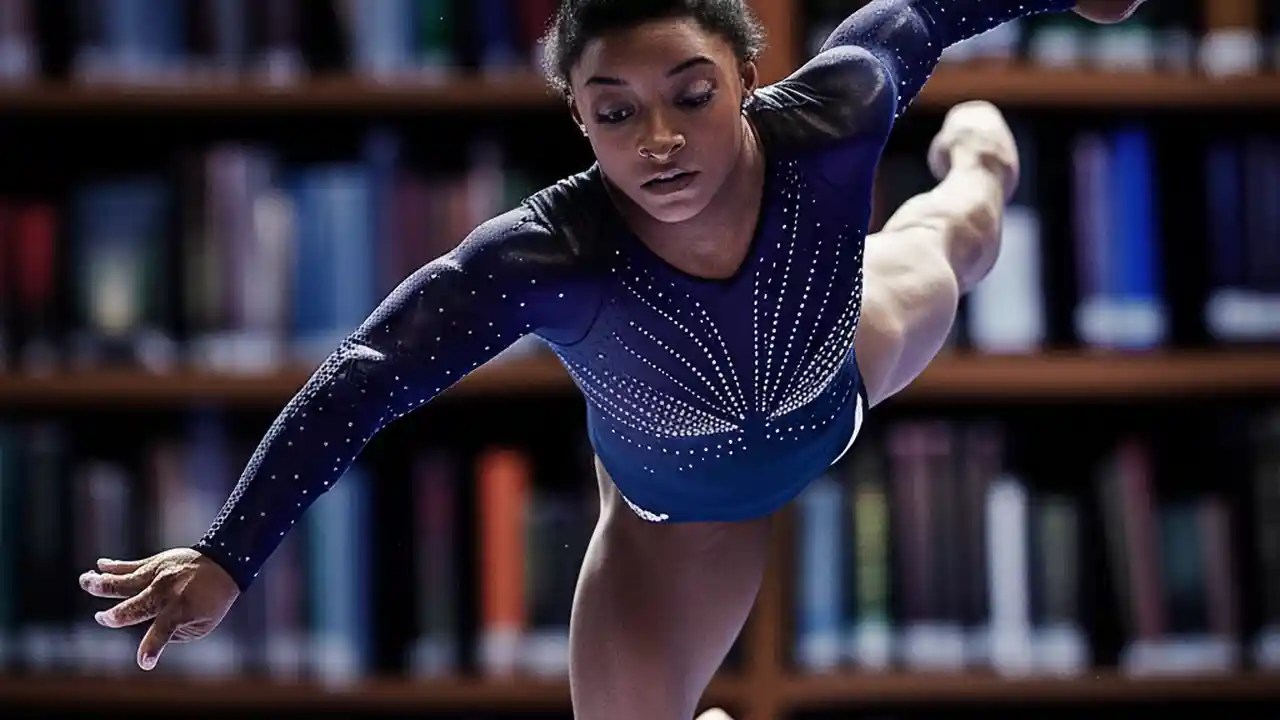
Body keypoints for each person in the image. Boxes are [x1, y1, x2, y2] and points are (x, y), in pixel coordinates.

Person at [78, 0, 1144, 718]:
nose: (660, 141)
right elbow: (367, 375)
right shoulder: (547, 256)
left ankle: (975, 165)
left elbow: (926, 9)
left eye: (691, 94)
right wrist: (228, 553)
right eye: (616, 113)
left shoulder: (833, 118)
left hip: (844, 369)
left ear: (745, 75)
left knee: (949, 242)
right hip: (678, 526)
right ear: (577, 116)